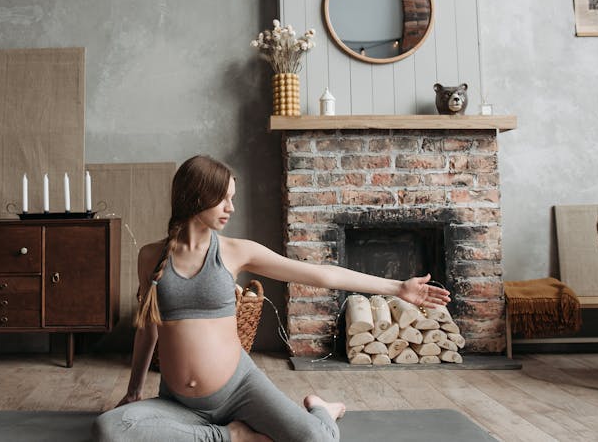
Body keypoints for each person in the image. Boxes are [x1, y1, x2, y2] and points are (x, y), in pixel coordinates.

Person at [93, 155, 451, 442]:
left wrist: (398, 288)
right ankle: (231, 436)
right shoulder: (149, 257)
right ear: (196, 196)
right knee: (110, 429)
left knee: (317, 440)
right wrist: (134, 390)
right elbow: (147, 330)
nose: (231, 207)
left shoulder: (235, 252)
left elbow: (322, 274)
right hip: (178, 403)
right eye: (224, 197)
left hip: (239, 389)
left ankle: (321, 408)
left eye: (233, 197)